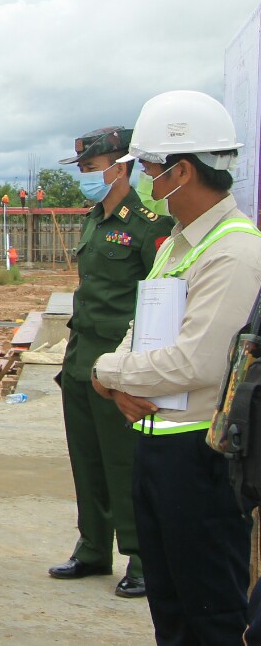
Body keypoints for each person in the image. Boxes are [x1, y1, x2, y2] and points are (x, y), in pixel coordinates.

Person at [91, 90, 261, 643]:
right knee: (171, 611)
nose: (144, 179)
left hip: (203, 459)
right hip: (156, 443)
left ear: (182, 171)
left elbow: (196, 362)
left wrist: (105, 372)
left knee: (212, 614)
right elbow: (139, 332)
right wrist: (115, 381)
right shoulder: (177, 244)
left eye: (149, 168)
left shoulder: (234, 251)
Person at [49, 126, 172, 599]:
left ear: (120, 167)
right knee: (86, 461)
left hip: (119, 362)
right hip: (80, 356)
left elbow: (158, 302)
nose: (84, 175)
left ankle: (140, 558)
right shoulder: (93, 220)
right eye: (81, 167)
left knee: (124, 464)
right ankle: (93, 548)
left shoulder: (148, 225)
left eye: (90, 167)